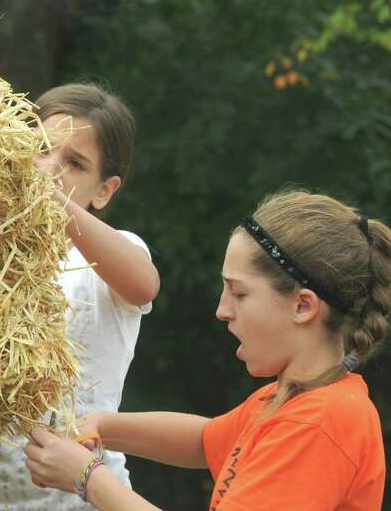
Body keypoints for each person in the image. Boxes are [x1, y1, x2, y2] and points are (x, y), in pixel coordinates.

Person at [25, 190, 388, 511]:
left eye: (239, 293)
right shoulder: (288, 400)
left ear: (303, 306)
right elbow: (204, 441)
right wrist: (101, 424)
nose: (222, 310)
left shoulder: (316, 424)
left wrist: (88, 478)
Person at [0, 83, 160, 511]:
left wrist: (47, 196)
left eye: (75, 164)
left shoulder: (108, 256)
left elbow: (143, 284)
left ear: (104, 190)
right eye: (39, 149)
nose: (50, 168)